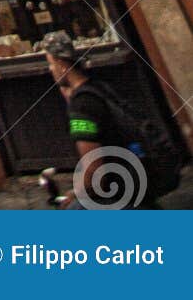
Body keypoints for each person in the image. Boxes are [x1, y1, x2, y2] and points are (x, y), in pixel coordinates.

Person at [42, 31, 156, 209]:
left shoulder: (82, 107)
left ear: (61, 65)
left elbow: (95, 174)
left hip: (119, 191)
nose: (50, 70)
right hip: (138, 176)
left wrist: (74, 194)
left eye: (50, 64)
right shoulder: (98, 88)